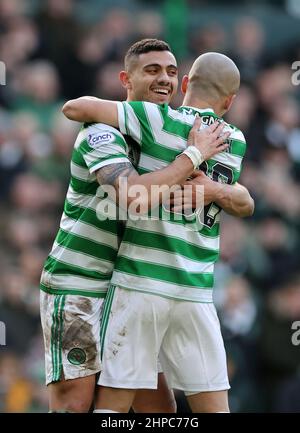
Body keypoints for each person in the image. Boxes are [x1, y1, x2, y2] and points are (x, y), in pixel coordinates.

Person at [40, 39, 238, 413]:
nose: (164, 78)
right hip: (82, 283)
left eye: (171, 71)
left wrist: (218, 189)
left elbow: (242, 194)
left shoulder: (172, 134)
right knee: (74, 406)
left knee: (161, 409)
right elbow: (134, 197)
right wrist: (193, 155)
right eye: (152, 70)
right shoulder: (101, 133)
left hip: (132, 287)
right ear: (125, 80)